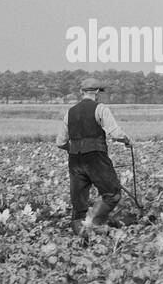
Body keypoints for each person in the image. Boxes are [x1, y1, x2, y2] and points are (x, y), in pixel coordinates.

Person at [56, 76, 131, 235]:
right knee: (112, 194)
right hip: (96, 158)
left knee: (79, 204)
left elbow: (61, 142)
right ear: (97, 92)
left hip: (75, 160)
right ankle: (93, 223)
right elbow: (115, 133)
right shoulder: (101, 108)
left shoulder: (70, 112)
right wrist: (126, 140)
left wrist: (75, 148)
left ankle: (81, 239)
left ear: (81, 92)